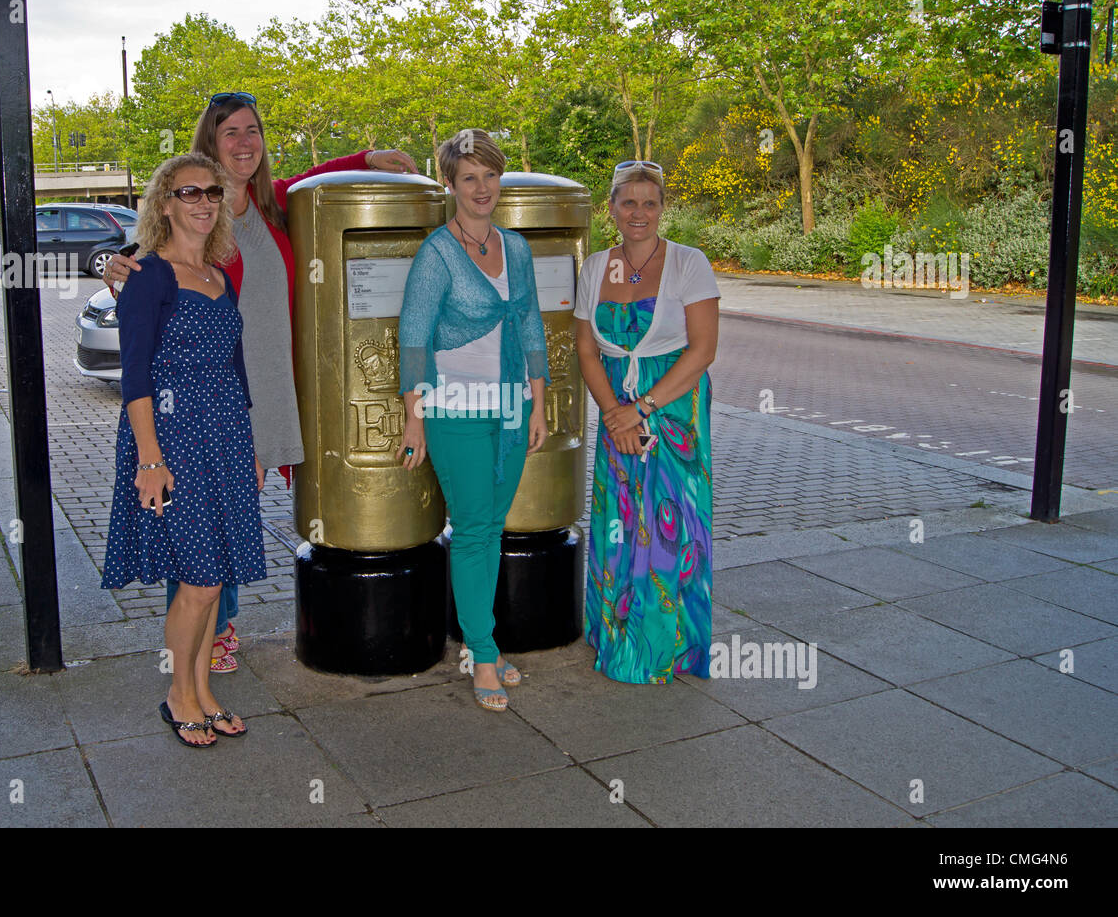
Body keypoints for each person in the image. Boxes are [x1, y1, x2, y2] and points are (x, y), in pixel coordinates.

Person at [104, 92, 417, 672]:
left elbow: (314, 176)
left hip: (269, 385)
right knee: (203, 522)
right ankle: (201, 644)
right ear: (209, 143)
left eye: (253, 131)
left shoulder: (275, 205)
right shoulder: (202, 214)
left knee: (234, 514)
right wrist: (114, 262)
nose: (245, 143)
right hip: (213, 393)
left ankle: (216, 626)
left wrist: (368, 158)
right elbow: (150, 258)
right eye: (230, 133)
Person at [101, 152, 265, 746]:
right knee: (197, 579)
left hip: (224, 437)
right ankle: (178, 695)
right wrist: (149, 459)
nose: (202, 203)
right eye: (188, 192)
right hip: (171, 439)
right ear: (164, 204)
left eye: (212, 193)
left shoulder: (221, 273)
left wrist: (249, 448)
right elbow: (135, 375)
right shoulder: (148, 274)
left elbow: (236, 370)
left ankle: (202, 691)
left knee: (216, 577)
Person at [397, 129, 549, 711]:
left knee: (494, 526)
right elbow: (412, 338)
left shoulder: (516, 248)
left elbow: (531, 323)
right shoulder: (437, 252)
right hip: (454, 409)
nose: (481, 187)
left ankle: (480, 642)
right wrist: (415, 421)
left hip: (512, 404)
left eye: (489, 175)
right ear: (450, 184)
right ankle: (483, 654)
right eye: (469, 177)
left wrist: (538, 402)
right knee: (474, 529)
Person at [574, 160, 721, 685]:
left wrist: (641, 409)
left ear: (663, 208)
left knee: (668, 521)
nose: (639, 212)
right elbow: (586, 350)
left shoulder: (689, 263)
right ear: (611, 207)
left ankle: (664, 645)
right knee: (621, 517)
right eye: (628, 202)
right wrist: (615, 413)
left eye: (649, 202)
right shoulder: (595, 267)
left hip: (673, 406)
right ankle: (617, 634)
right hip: (616, 405)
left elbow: (703, 350)